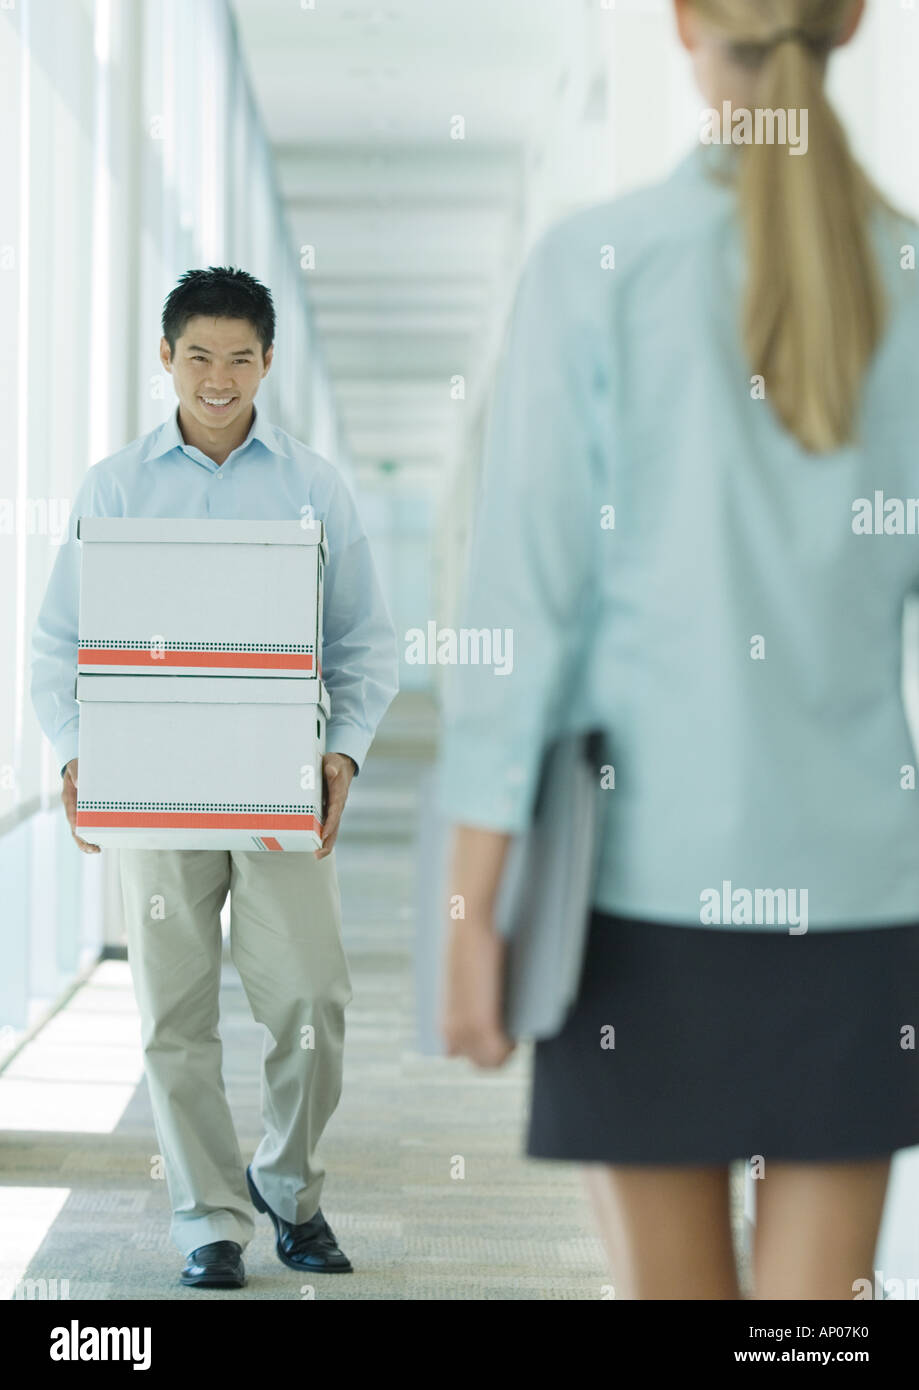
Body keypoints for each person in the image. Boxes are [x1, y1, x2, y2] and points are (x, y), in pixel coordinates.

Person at [436, 0, 919, 1300]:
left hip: (643, 904)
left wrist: (469, 904)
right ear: (850, 23)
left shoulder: (597, 266)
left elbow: (523, 613)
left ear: (684, 24)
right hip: (864, 900)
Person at [30, 267, 399, 1289]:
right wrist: (74, 753)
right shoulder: (115, 485)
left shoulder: (313, 484)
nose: (220, 376)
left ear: (268, 362)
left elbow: (366, 640)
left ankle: (287, 1186)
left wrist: (345, 752)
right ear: (166, 358)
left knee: (313, 999)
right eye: (199, 355)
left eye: (240, 357)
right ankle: (207, 1218)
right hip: (152, 787)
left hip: (277, 784)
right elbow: (58, 644)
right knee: (172, 1011)